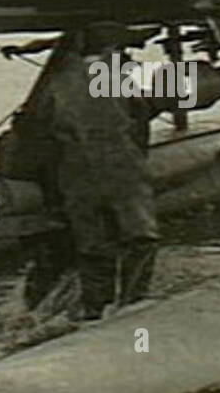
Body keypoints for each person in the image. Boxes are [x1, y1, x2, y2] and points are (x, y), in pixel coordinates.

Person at [40, 23, 173, 320]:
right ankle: (132, 304)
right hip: (117, 163)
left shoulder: (59, 79)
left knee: (92, 243)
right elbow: (141, 111)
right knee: (140, 237)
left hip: (74, 167)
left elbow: (49, 123)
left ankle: (93, 311)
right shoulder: (110, 75)